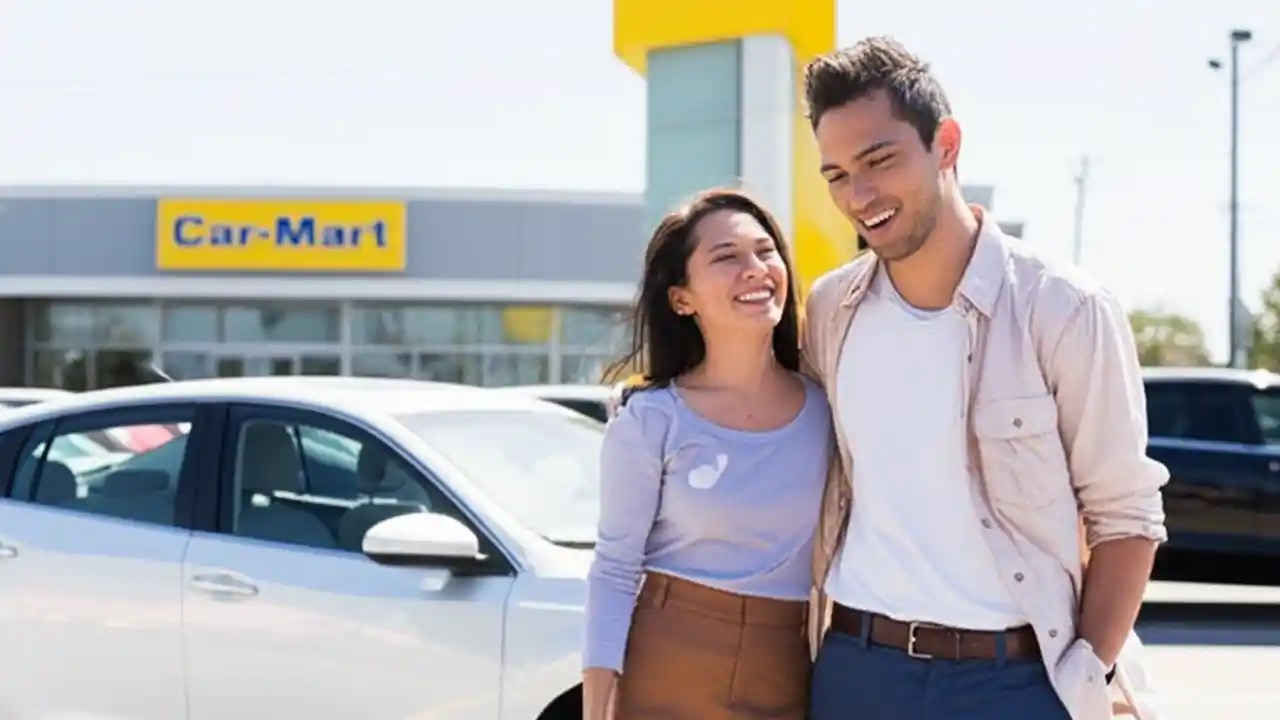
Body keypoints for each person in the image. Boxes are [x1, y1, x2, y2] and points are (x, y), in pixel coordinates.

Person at [796, 37, 1169, 720]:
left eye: (879, 160)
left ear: (946, 144)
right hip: (858, 669)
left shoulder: (1063, 307)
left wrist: (1086, 675)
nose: (860, 195)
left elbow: (1126, 516)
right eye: (838, 175)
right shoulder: (829, 311)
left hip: (1016, 681)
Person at [582, 188, 832, 720]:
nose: (756, 269)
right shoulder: (652, 419)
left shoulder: (829, 410)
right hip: (668, 658)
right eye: (727, 257)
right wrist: (596, 706)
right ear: (682, 298)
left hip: (788, 663)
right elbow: (613, 570)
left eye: (766, 252)